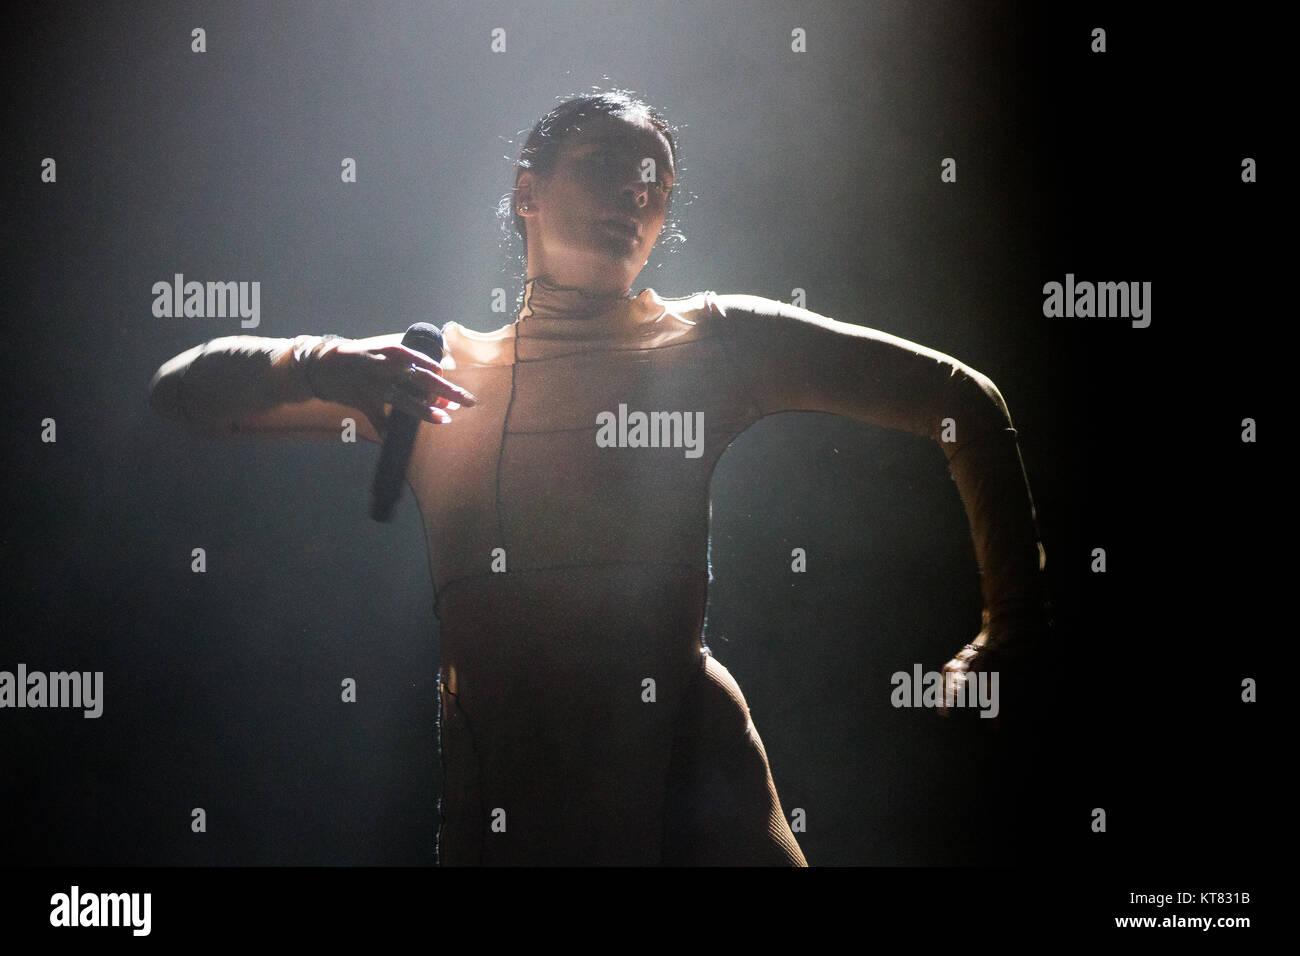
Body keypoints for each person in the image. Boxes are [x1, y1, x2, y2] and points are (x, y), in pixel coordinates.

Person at [148, 91, 1047, 866]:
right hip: (504, 813)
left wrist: (1012, 621)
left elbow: (962, 398)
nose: (636, 188)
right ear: (526, 191)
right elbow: (181, 392)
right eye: (610, 161)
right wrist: (314, 360)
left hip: (698, 796)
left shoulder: (713, 340)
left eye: (655, 177)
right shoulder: (426, 378)